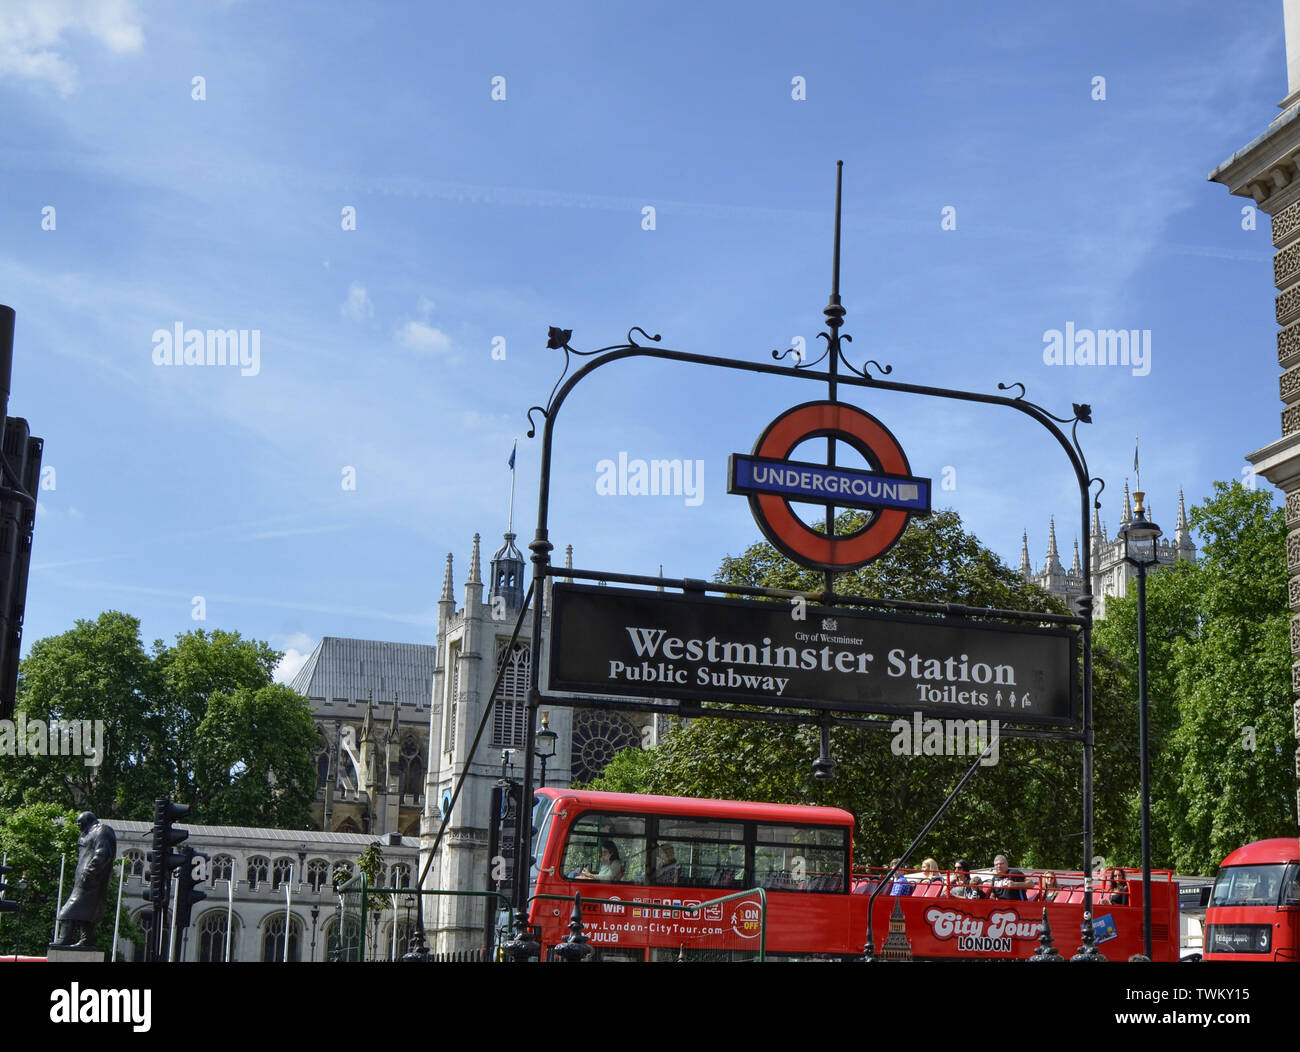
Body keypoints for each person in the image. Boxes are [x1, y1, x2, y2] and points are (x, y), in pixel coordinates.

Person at [55, 812, 117, 948]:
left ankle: (64, 939)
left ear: (88, 820)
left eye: (79, 822)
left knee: (67, 912)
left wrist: (89, 872)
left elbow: (103, 853)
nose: (78, 825)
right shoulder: (87, 833)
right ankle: (86, 940)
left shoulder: (101, 830)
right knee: (88, 914)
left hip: (92, 881)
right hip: (85, 880)